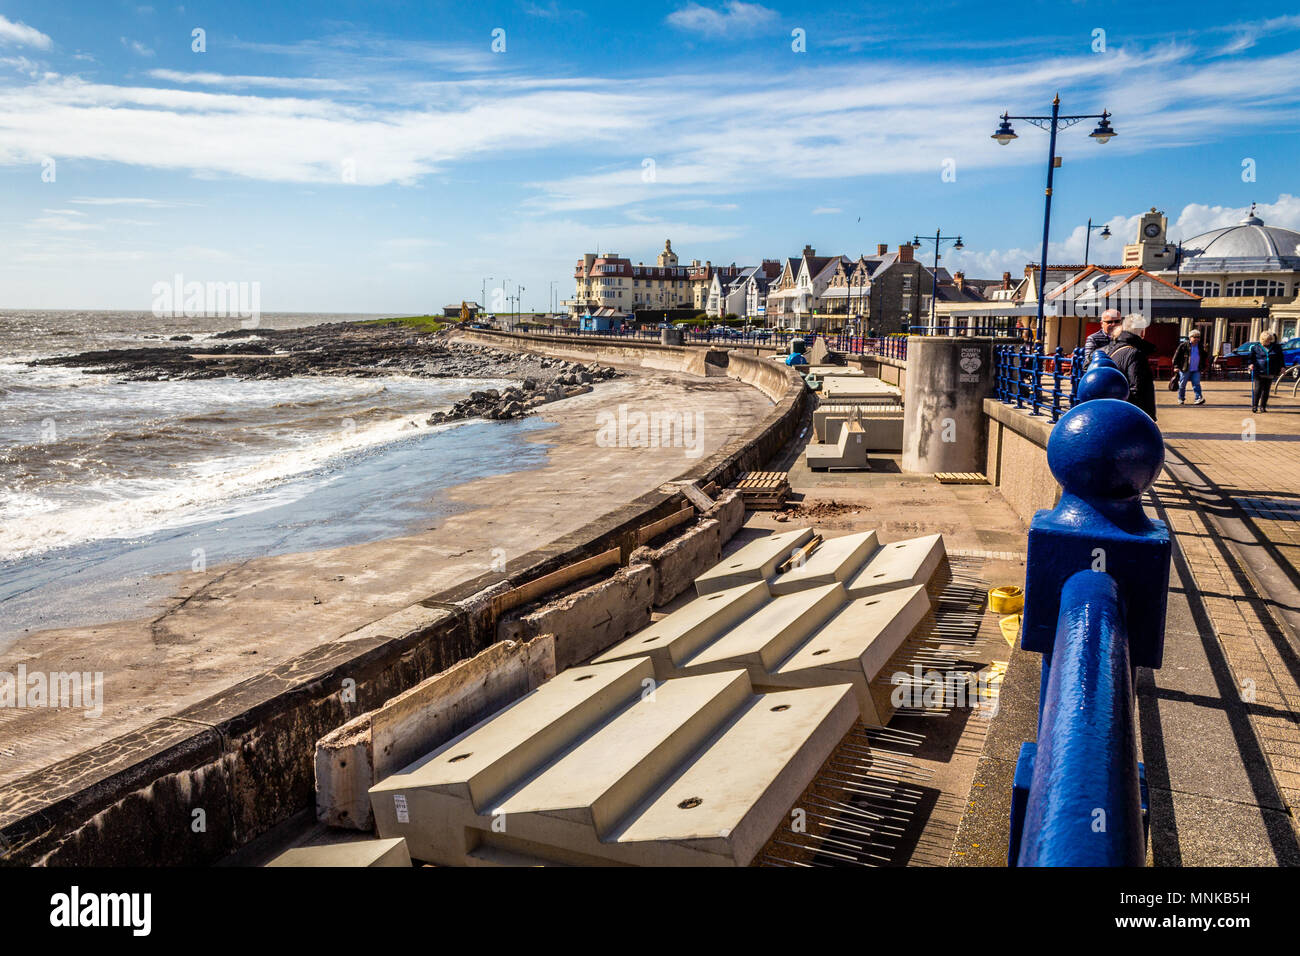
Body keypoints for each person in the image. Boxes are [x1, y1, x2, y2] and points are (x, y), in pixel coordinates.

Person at [1102, 313, 1158, 421]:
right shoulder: (1135, 354)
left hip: (1114, 408)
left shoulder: (1113, 348)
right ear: (1142, 332)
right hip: (1131, 415)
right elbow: (1137, 388)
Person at [1248, 330, 1285, 413]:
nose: (1268, 342)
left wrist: (1282, 367)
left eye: (1269, 340)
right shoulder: (1255, 347)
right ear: (1262, 340)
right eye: (1266, 340)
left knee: (1266, 390)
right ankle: (1254, 406)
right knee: (1258, 389)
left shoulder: (1276, 348)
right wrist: (1250, 364)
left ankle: (1263, 407)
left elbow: (1280, 358)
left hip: (1270, 371)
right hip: (1259, 371)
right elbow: (1251, 358)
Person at [1171, 329, 1207, 406]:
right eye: (1195, 337)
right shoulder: (1183, 346)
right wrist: (1176, 366)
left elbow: (1203, 357)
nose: (1197, 339)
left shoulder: (1200, 346)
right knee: (1182, 385)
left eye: (1198, 337)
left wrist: (1203, 366)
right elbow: (1176, 357)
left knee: (1196, 384)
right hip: (1185, 369)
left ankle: (1198, 398)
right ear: (1190, 337)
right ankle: (1181, 398)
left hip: (1196, 369)